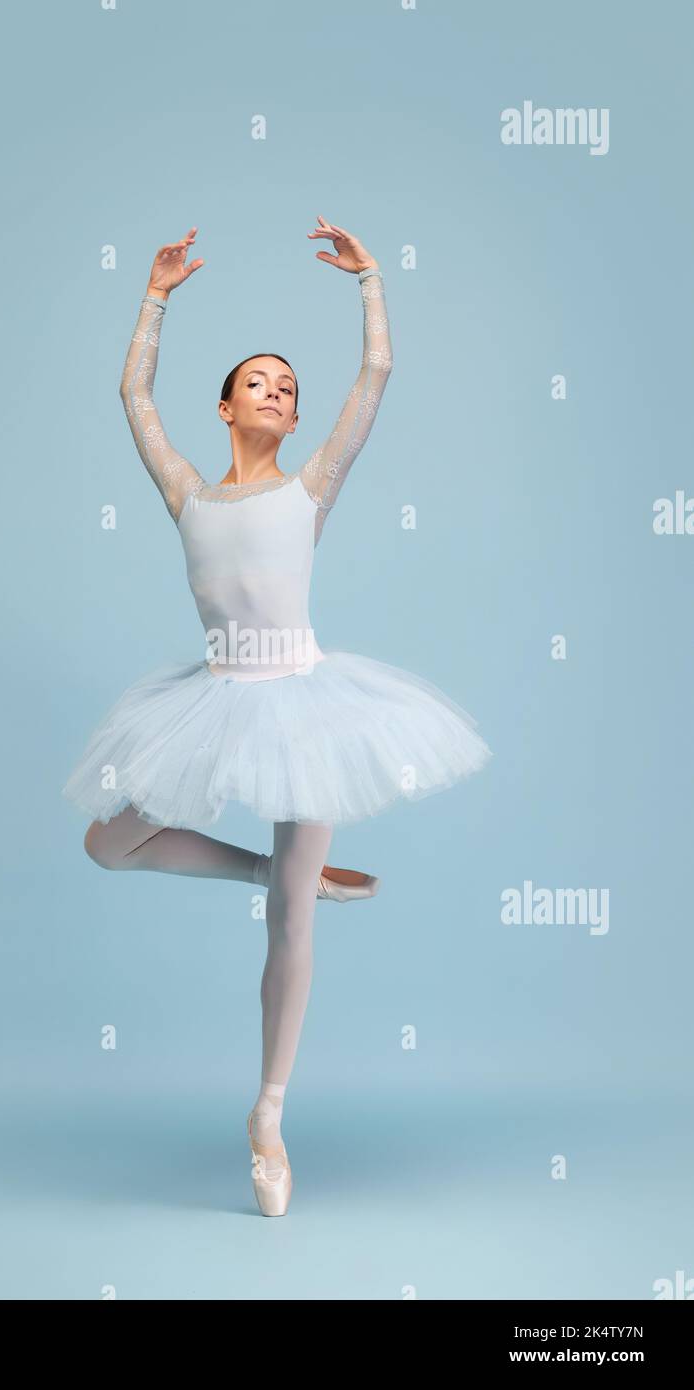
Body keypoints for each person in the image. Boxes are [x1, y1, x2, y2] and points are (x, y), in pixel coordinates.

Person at [63, 218, 492, 1215]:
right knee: (108, 841)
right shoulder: (187, 495)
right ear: (224, 405)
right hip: (215, 692)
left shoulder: (310, 488)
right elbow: (131, 396)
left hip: (304, 699)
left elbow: (374, 380)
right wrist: (156, 294)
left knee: (290, 919)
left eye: (289, 388)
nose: (278, 392)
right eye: (259, 380)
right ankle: (271, 870)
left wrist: (373, 280)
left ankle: (267, 1115)